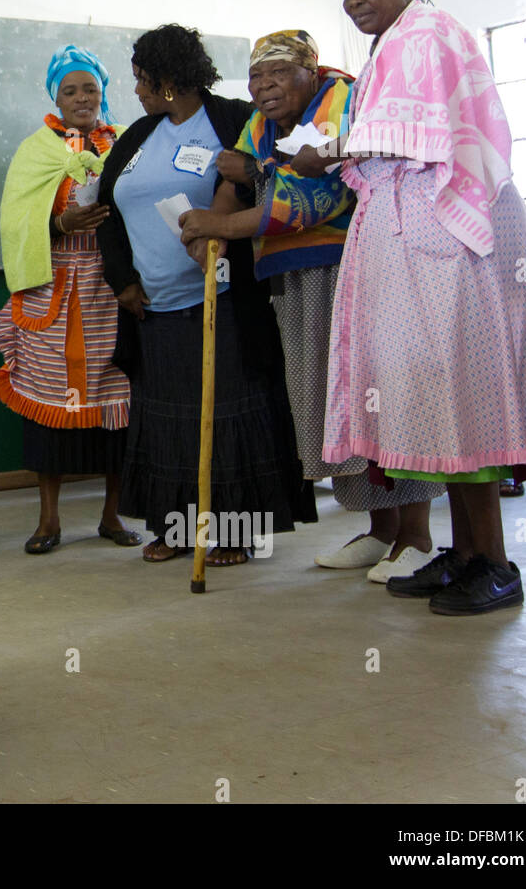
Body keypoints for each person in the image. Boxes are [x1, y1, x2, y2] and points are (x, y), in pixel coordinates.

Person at [293, 0, 526, 614]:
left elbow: (417, 132)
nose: (356, 1)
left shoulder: (430, 33)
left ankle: (496, 564)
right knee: (428, 394)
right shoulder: (392, 46)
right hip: (411, 236)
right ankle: (466, 552)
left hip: (452, 236)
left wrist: (326, 152)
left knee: (460, 390)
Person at [177, 30, 444, 582]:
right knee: (328, 401)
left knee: (379, 397)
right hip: (292, 275)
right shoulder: (260, 123)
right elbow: (236, 175)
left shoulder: (340, 99)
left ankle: (417, 537)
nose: (264, 87)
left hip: (355, 267)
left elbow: (320, 195)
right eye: (255, 77)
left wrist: (226, 217)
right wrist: (211, 229)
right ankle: (381, 530)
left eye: (277, 74)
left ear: (309, 71)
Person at [97, 24, 315, 565]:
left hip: (225, 302)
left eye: (144, 80)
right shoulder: (136, 137)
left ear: (171, 80)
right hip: (156, 310)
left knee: (229, 417)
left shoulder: (234, 121)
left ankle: (237, 534)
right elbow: (107, 212)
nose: (139, 91)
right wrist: (122, 281)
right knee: (169, 422)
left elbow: (272, 179)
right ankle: (175, 529)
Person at [0, 45, 136, 554]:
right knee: (47, 407)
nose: (80, 98)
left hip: (110, 293)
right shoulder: (36, 149)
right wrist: (59, 223)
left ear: (102, 93)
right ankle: (48, 520)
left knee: (117, 407)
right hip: (50, 293)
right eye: (70, 90)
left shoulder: (123, 144)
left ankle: (112, 516)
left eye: (90, 89)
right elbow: (14, 219)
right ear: (55, 95)